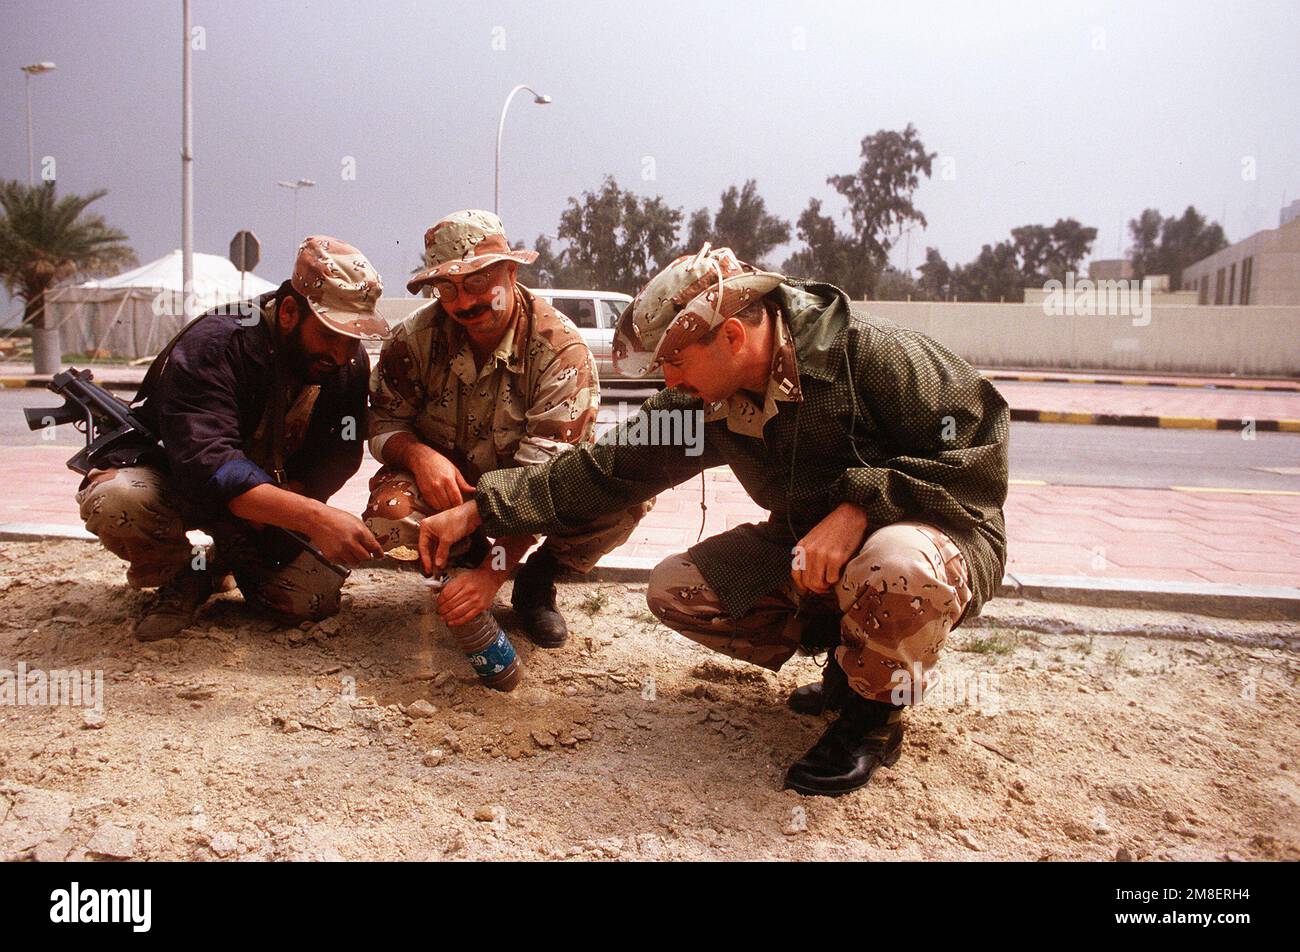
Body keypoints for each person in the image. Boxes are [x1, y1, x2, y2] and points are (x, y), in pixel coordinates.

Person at [416, 244, 1010, 796]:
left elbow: (982, 458)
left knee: (895, 565)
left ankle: (873, 717)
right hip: (810, 546)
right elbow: (605, 469)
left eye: (675, 365)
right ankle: (853, 663)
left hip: (937, 534)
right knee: (677, 589)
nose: (668, 383)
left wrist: (859, 507)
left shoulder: (870, 356)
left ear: (731, 335)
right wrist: (479, 509)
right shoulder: (707, 401)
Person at [78, 236, 389, 640]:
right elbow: (210, 466)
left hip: (271, 498)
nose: (342, 353)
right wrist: (315, 517)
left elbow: (339, 453)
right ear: (291, 312)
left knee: (309, 601)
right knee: (117, 500)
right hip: (184, 485)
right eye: (331, 335)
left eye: (353, 339)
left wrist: (299, 498)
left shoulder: (345, 362)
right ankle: (182, 577)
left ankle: (223, 560)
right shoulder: (219, 342)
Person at [364, 209, 650, 647]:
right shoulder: (412, 340)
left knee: (622, 498)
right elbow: (384, 421)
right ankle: (462, 557)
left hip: (535, 490)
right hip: (453, 487)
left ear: (510, 272)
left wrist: (490, 576)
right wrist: (418, 456)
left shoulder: (560, 351)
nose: (463, 303)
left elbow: (547, 483)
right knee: (390, 515)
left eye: (477, 282)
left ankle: (536, 583)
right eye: (446, 288)